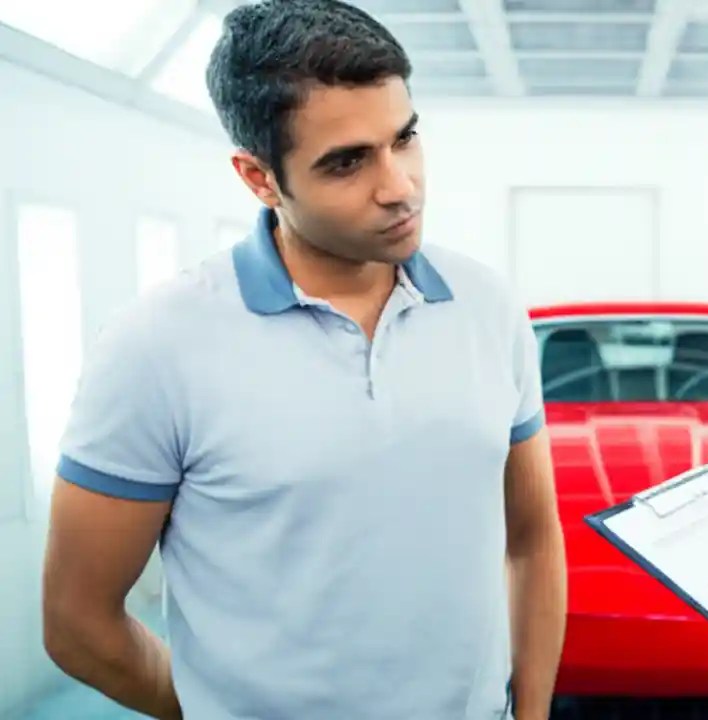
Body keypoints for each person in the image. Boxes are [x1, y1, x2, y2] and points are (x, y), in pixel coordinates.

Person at [40, 1, 567, 718]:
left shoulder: (488, 305)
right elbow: (78, 624)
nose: (399, 187)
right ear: (259, 178)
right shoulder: (155, 346)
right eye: (347, 162)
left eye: (405, 139)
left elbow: (532, 541)